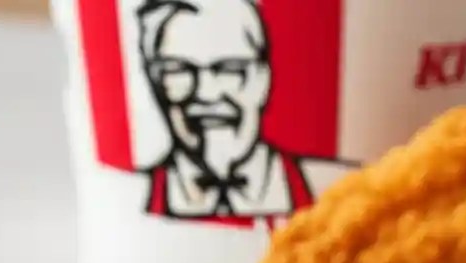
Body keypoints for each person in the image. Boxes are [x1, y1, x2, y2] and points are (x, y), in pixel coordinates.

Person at [138, 0, 351, 220]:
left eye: (231, 69)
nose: (206, 93)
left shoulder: (337, 187)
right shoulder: (127, 195)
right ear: (155, 81)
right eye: (178, 69)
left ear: (263, 80)